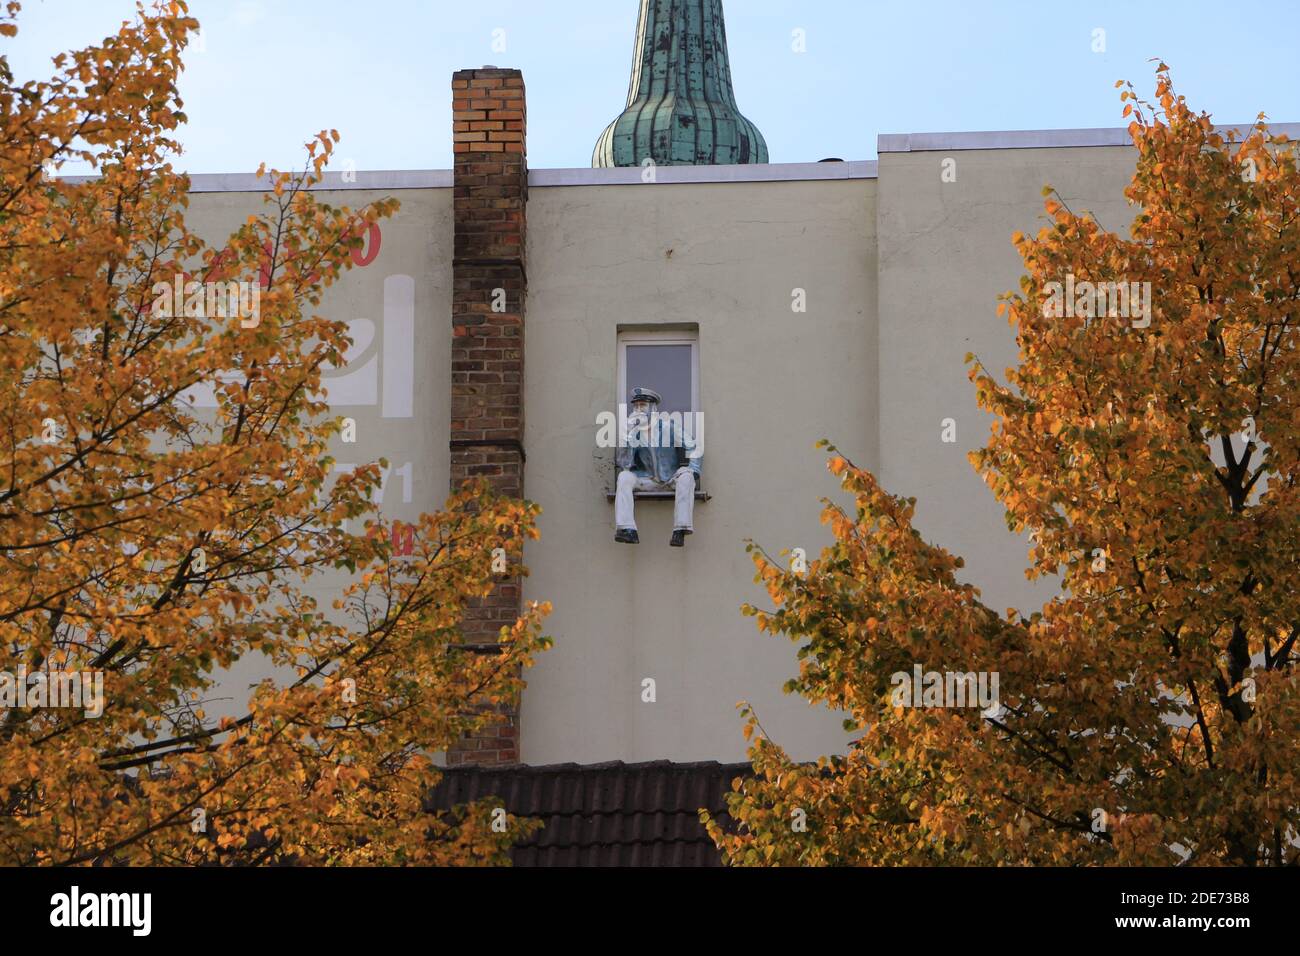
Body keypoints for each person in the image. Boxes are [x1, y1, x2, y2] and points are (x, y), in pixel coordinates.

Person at [614, 387, 700, 547]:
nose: (639, 410)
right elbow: (624, 463)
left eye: (643, 406)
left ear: (653, 408)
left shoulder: (668, 426)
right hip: (645, 479)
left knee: (687, 478)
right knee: (624, 477)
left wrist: (693, 469)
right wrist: (627, 436)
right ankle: (627, 530)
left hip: (669, 479)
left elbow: (692, 445)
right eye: (636, 406)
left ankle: (680, 529)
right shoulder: (633, 433)